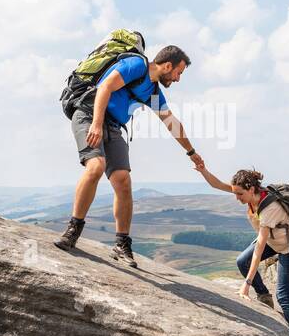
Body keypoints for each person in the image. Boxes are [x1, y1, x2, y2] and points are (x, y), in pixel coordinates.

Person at [55, 45, 203, 267]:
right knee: (95, 166)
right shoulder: (136, 65)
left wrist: (191, 153)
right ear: (168, 65)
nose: (178, 79)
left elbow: (171, 122)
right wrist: (96, 124)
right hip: (88, 114)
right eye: (178, 73)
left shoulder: (153, 91)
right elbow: (105, 87)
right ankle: (73, 230)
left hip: (113, 125)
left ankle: (121, 243)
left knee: (123, 180)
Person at [195, 165, 289, 336]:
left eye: (239, 194)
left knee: (284, 296)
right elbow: (217, 184)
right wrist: (203, 170)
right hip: (275, 240)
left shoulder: (269, 209)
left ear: (250, 189)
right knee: (242, 260)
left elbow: (258, 249)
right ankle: (265, 297)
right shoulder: (248, 194)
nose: (236, 198)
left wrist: (246, 284)